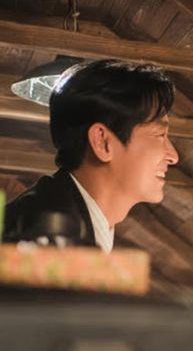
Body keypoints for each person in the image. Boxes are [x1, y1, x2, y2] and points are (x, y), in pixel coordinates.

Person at [3, 59, 179, 253]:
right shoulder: (44, 236)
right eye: (160, 135)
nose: (173, 156)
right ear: (102, 142)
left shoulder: (69, 221)